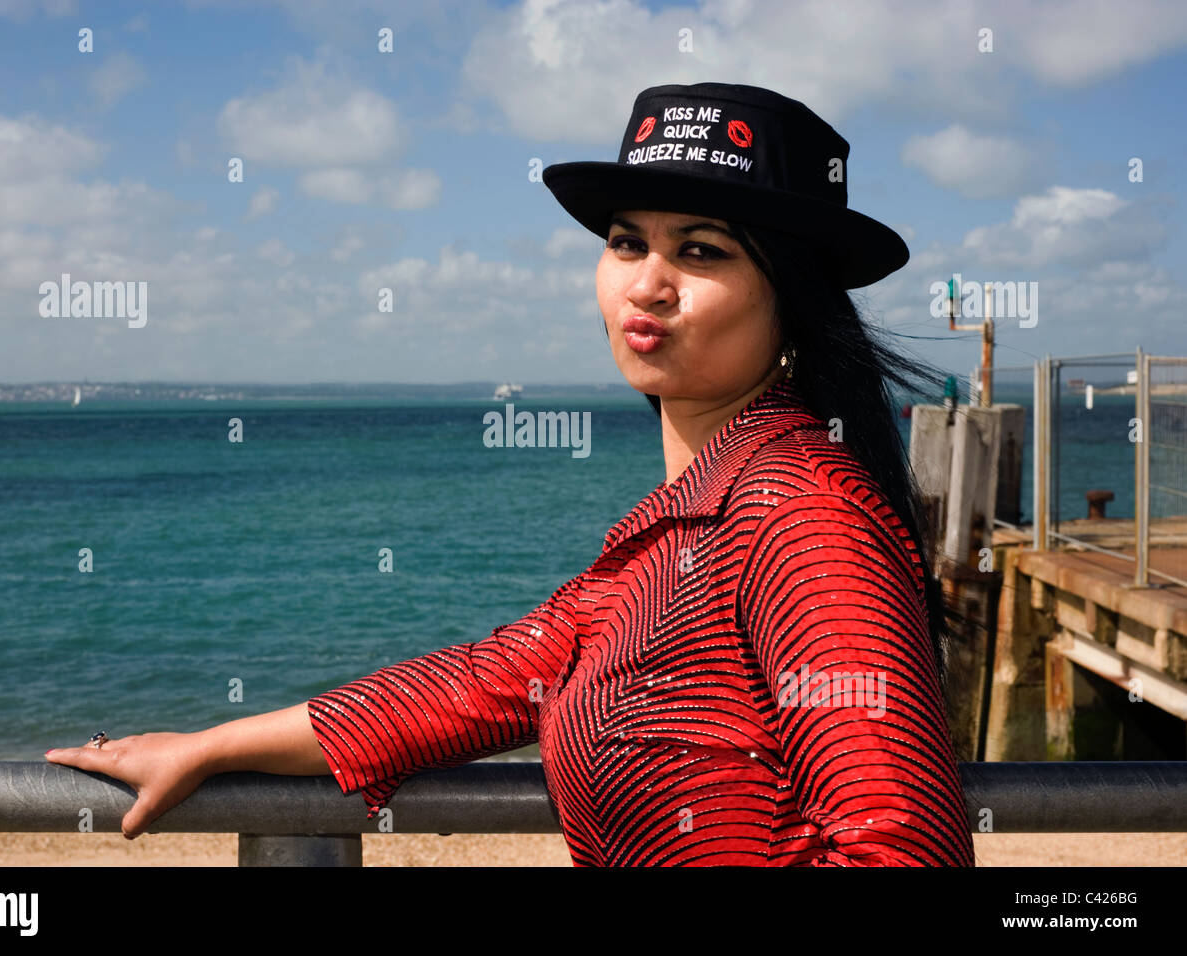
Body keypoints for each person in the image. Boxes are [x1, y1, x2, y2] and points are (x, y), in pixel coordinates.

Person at [47, 82, 976, 866]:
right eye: (626, 242)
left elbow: (899, 850)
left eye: (702, 251)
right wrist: (213, 746)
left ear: (795, 301)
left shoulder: (800, 510)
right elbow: (495, 679)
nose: (648, 283)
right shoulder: (686, 526)